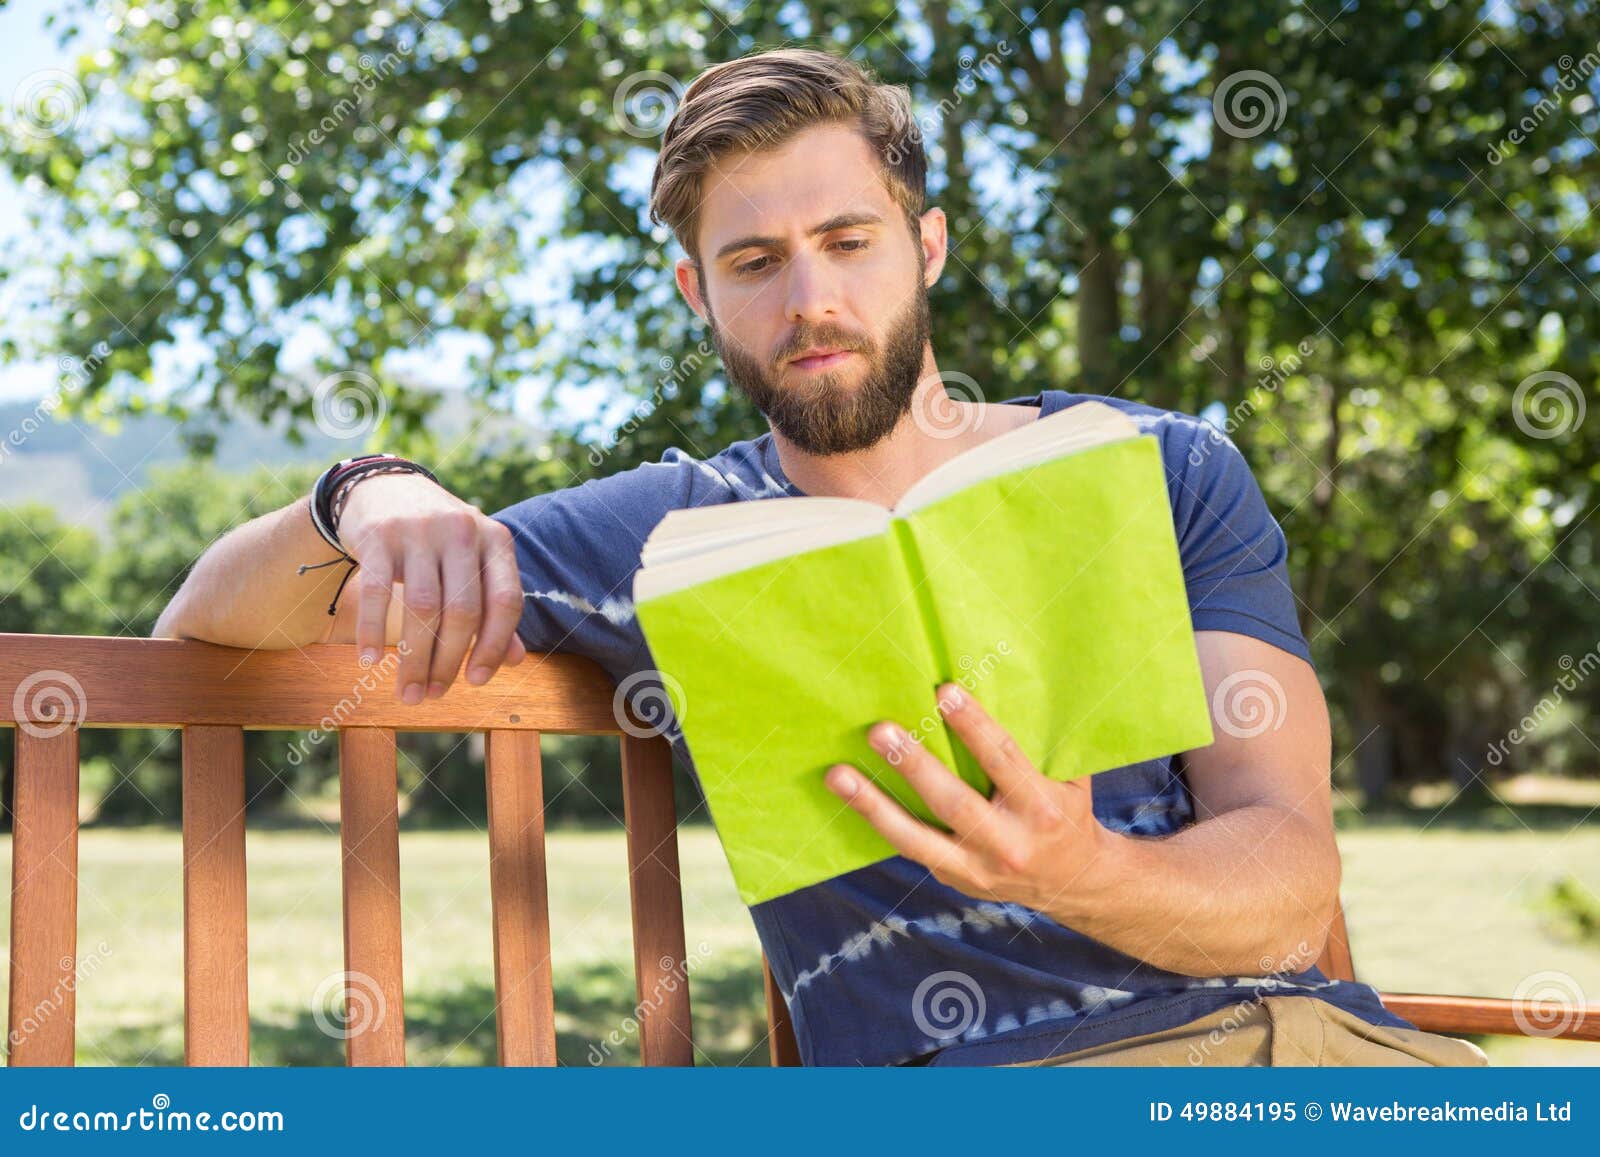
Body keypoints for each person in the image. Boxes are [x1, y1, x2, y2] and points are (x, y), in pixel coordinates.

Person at [154, 47, 1487, 1068]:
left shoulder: (1162, 469)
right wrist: (362, 494)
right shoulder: (668, 536)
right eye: (755, 262)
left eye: (849, 243)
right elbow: (195, 632)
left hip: (1336, 1059)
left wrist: (1078, 868)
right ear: (699, 295)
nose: (812, 302)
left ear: (928, 245)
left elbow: (1289, 871)